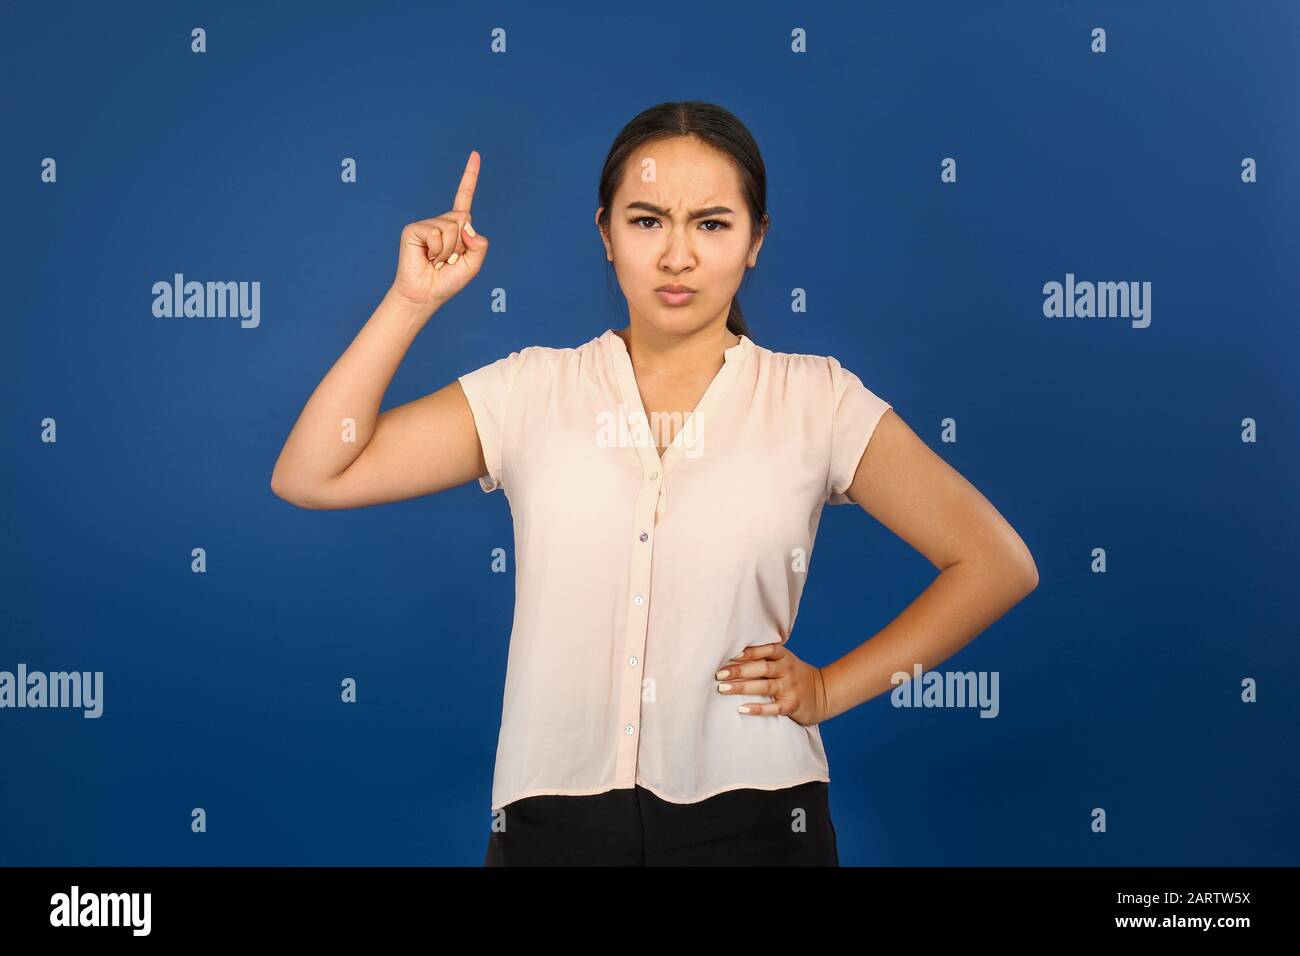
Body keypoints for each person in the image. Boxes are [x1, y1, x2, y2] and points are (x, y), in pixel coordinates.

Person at [270, 101, 1039, 866]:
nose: (677, 256)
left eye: (711, 224)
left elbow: (996, 562)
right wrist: (411, 302)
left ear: (755, 241)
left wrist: (831, 691)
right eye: (646, 222)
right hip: (550, 828)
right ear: (605, 234)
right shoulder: (531, 390)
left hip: (761, 824)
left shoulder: (817, 400)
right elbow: (313, 473)